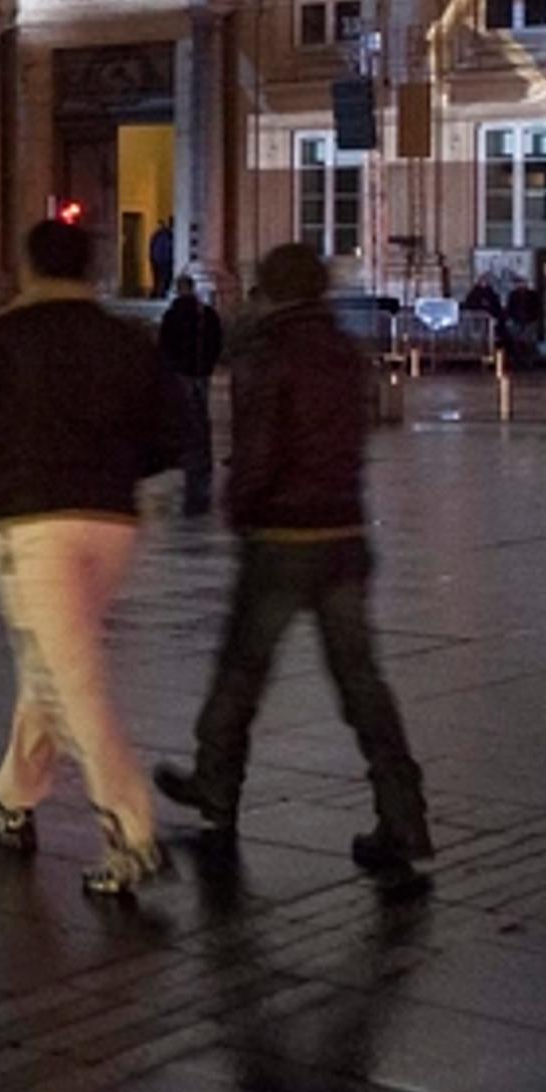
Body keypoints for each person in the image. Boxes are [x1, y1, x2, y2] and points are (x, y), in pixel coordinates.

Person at [151, 243, 431, 890]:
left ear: (269, 290)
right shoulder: (343, 351)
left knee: (241, 670)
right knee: (363, 684)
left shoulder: (267, 354)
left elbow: (257, 452)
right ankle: (405, 816)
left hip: (283, 536)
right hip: (344, 531)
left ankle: (216, 786)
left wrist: (238, 506)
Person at [0, 216, 186, 896]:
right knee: (53, 660)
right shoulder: (124, 340)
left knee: (71, 681)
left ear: (31, 268)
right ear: (91, 270)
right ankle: (11, 796)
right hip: (110, 524)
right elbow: (175, 429)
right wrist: (122, 471)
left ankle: (133, 834)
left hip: (32, 521)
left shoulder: (2, 338)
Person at [155, 272, 224, 516]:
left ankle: (186, 456)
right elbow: (217, 341)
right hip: (200, 370)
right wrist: (208, 364)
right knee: (201, 415)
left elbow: (164, 345)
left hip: (181, 372)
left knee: (183, 416)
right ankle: (203, 457)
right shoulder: (206, 314)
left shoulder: (172, 316)